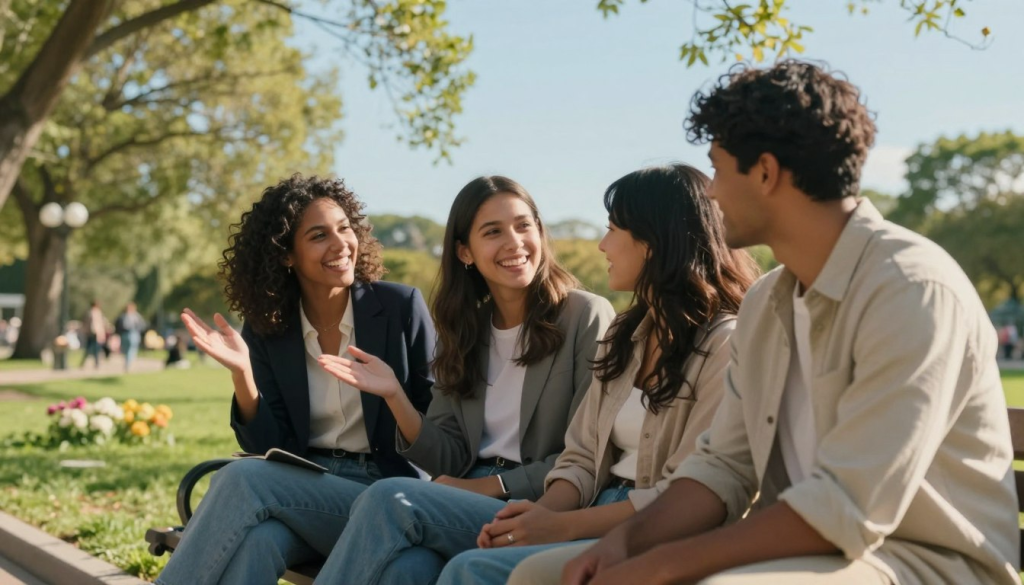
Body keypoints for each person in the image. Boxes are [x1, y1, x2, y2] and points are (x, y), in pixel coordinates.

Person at [512, 60, 1020, 585]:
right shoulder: (766, 304)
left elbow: (846, 507)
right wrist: (621, 546)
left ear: (765, 172)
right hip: (806, 554)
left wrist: (662, 564)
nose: (709, 192)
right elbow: (723, 467)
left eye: (717, 168)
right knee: (538, 576)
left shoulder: (910, 289)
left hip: (923, 563)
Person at [427, 164, 759, 585]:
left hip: (657, 528)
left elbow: (691, 491)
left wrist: (557, 526)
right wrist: (540, 517)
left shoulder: (728, 344)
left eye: (613, 229)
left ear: (654, 241)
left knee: (467, 568)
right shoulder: (626, 334)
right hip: (590, 508)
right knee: (416, 563)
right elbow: (581, 457)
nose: (602, 245)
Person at [309, 175, 616, 585]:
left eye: (525, 225)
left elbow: (588, 454)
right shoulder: (466, 329)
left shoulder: (585, 316)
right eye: (493, 232)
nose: (515, 243)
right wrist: (395, 395)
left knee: (390, 496)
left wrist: (491, 487)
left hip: (536, 504)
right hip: (463, 498)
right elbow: (448, 458)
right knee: (407, 570)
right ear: (465, 252)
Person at [156, 175, 436, 585]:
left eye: (345, 228)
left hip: (384, 492)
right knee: (261, 541)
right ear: (287, 255)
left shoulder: (401, 308)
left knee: (239, 479)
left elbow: (436, 436)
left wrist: (393, 393)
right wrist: (243, 374)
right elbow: (271, 448)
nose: (341, 244)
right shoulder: (270, 326)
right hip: (308, 488)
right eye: (319, 235)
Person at [116, 302, 147, 372]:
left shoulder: (122, 316)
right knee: (131, 349)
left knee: (127, 350)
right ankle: (128, 364)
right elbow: (142, 324)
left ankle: (127, 363)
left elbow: (118, 326)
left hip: (124, 334)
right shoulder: (135, 316)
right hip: (132, 334)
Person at [80, 300, 106, 369]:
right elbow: (96, 324)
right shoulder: (94, 313)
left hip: (93, 333)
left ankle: (94, 363)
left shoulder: (92, 312)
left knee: (93, 348)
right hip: (94, 333)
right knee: (93, 348)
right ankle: (95, 363)